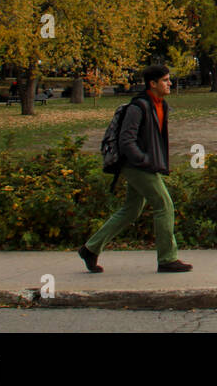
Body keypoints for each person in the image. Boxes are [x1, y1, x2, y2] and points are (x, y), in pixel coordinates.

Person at [78, 64, 193, 273]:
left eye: (169, 79)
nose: (170, 83)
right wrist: (145, 160)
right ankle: (167, 258)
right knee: (164, 205)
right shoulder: (137, 107)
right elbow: (126, 141)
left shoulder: (161, 105)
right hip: (136, 166)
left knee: (131, 210)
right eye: (165, 80)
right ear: (153, 83)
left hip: (147, 164)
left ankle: (90, 248)